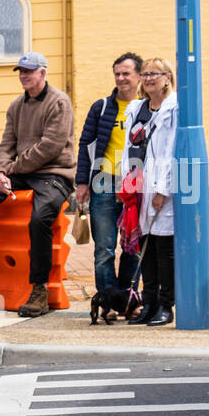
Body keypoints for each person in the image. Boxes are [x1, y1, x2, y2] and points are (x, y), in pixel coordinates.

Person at [0, 51, 76, 318]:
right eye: (21, 71)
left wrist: (14, 167)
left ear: (43, 72)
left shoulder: (59, 102)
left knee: (39, 218)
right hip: (22, 172)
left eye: (29, 70)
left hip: (55, 173)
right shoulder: (16, 106)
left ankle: (38, 290)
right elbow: (6, 144)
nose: (24, 75)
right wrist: (1, 173)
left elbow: (50, 147)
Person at [75, 53, 142, 296]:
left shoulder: (146, 108)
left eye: (126, 73)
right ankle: (107, 300)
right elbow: (85, 145)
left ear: (139, 76)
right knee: (104, 249)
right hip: (103, 184)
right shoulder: (101, 108)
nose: (121, 78)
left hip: (135, 187)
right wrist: (82, 182)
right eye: (117, 74)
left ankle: (127, 297)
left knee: (133, 247)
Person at [121, 57, 178, 326]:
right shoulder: (137, 109)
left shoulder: (173, 109)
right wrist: (127, 183)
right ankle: (149, 302)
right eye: (145, 73)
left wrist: (163, 190)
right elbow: (128, 148)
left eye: (156, 73)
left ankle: (166, 305)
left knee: (163, 249)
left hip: (160, 191)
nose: (149, 78)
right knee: (145, 250)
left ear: (168, 77)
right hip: (138, 189)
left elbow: (171, 152)